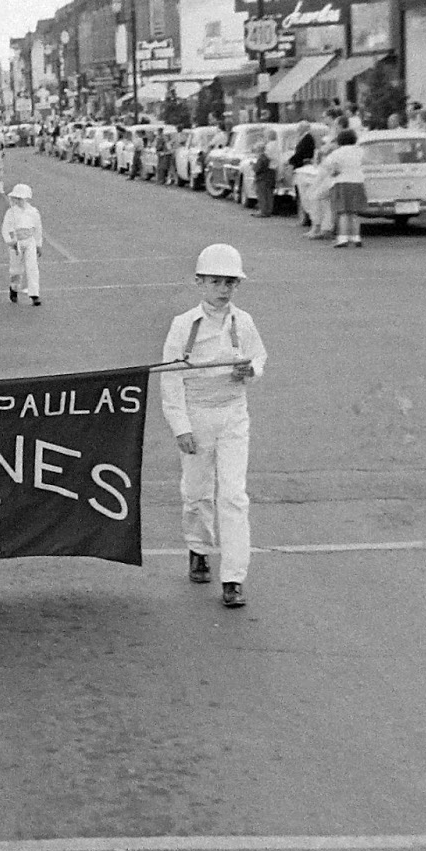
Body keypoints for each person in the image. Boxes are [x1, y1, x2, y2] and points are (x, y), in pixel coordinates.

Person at [160, 244, 267, 609]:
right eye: (217, 281)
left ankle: (234, 577)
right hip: (197, 412)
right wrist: (181, 426)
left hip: (233, 413)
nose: (224, 289)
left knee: (234, 495)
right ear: (200, 282)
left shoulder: (243, 322)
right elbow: (171, 379)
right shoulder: (183, 325)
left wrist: (250, 369)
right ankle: (198, 548)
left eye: (231, 283)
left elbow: (258, 355)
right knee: (196, 491)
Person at [322, 128, 366, 247]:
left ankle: (343, 237)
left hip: (342, 182)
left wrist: (334, 172)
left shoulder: (337, 153)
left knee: (343, 212)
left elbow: (330, 165)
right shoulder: (359, 151)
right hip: (357, 182)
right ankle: (356, 236)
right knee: (354, 212)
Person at [1, 183, 43, 304]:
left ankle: (34, 294)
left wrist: (38, 244)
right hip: (16, 243)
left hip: (30, 241)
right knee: (16, 270)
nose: (18, 201)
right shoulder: (11, 212)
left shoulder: (33, 212)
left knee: (32, 267)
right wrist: (10, 241)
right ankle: (14, 288)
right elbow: (5, 229)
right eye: (16, 199)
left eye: (21, 199)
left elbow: (38, 228)